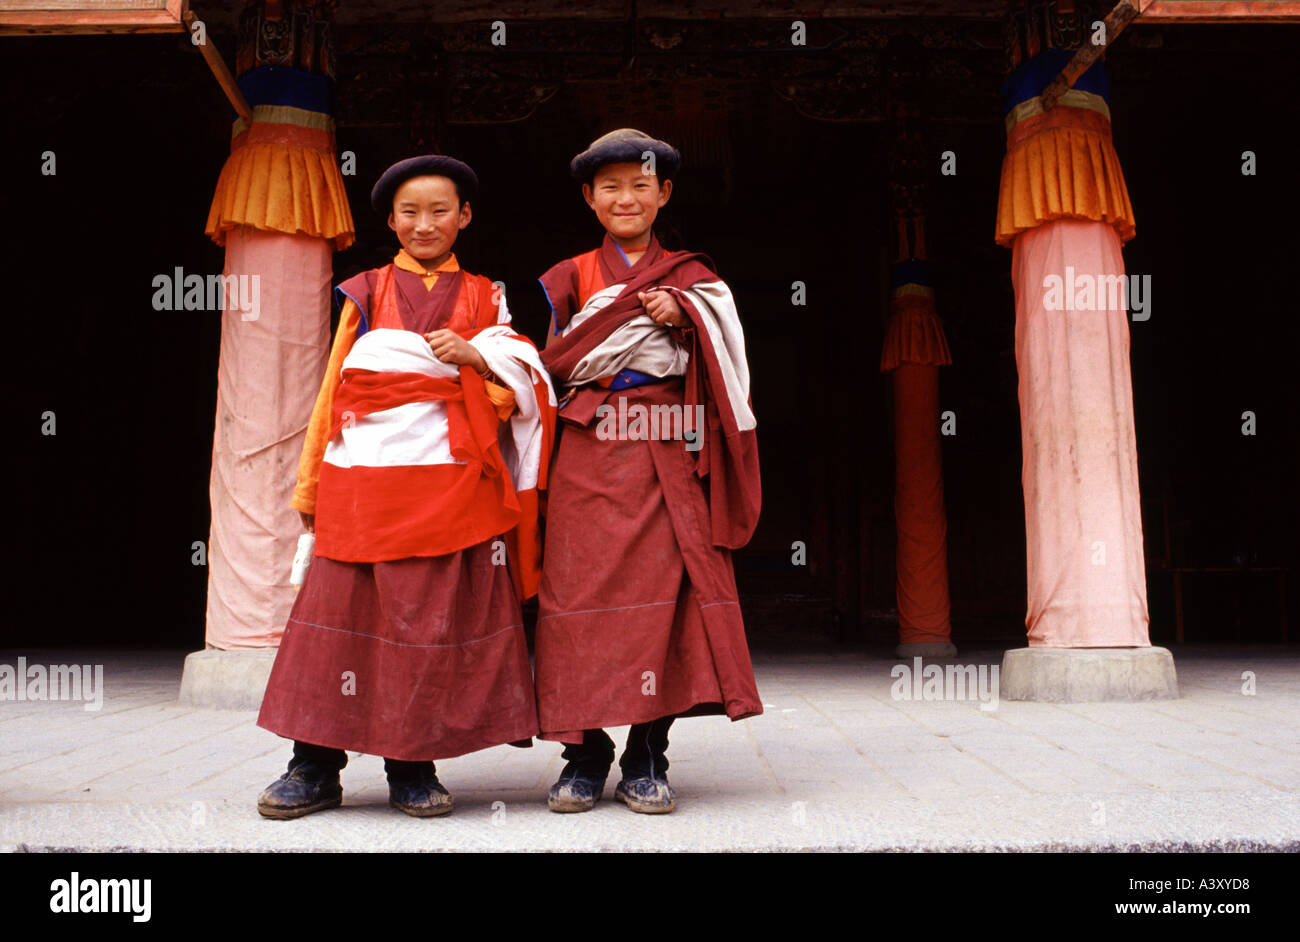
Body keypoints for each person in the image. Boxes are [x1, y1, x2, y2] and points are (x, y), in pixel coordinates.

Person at [255, 154, 556, 819]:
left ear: (465, 217)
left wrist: (474, 359)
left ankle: (412, 765)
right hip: (362, 479)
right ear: (390, 220)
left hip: (449, 484)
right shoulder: (364, 290)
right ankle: (314, 765)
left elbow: (521, 389)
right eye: (410, 212)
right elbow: (338, 389)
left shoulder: (487, 295)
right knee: (337, 622)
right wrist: (310, 492)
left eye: (440, 209)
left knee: (425, 624)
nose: (425, 223)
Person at [534, 128, 762, 815]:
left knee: (665, 600)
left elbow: (725, 363)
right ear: (589, 198)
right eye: (611, 187)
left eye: (641, 184)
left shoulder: (694, 279)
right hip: (589, 443)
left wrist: (685, 315)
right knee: (575, 596)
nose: (626, 197)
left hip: (665, 440)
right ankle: (584, 753)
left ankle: (644, 753)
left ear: (664, 193)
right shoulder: (569, 275)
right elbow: (556, 367)